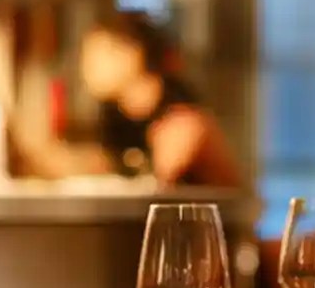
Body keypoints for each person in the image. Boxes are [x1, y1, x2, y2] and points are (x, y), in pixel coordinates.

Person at [79, 12, 241, 188]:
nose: (87, 68)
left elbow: (157, 187)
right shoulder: (117, 118)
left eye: (99, 56)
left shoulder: (183, 121)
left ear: (135, 53)